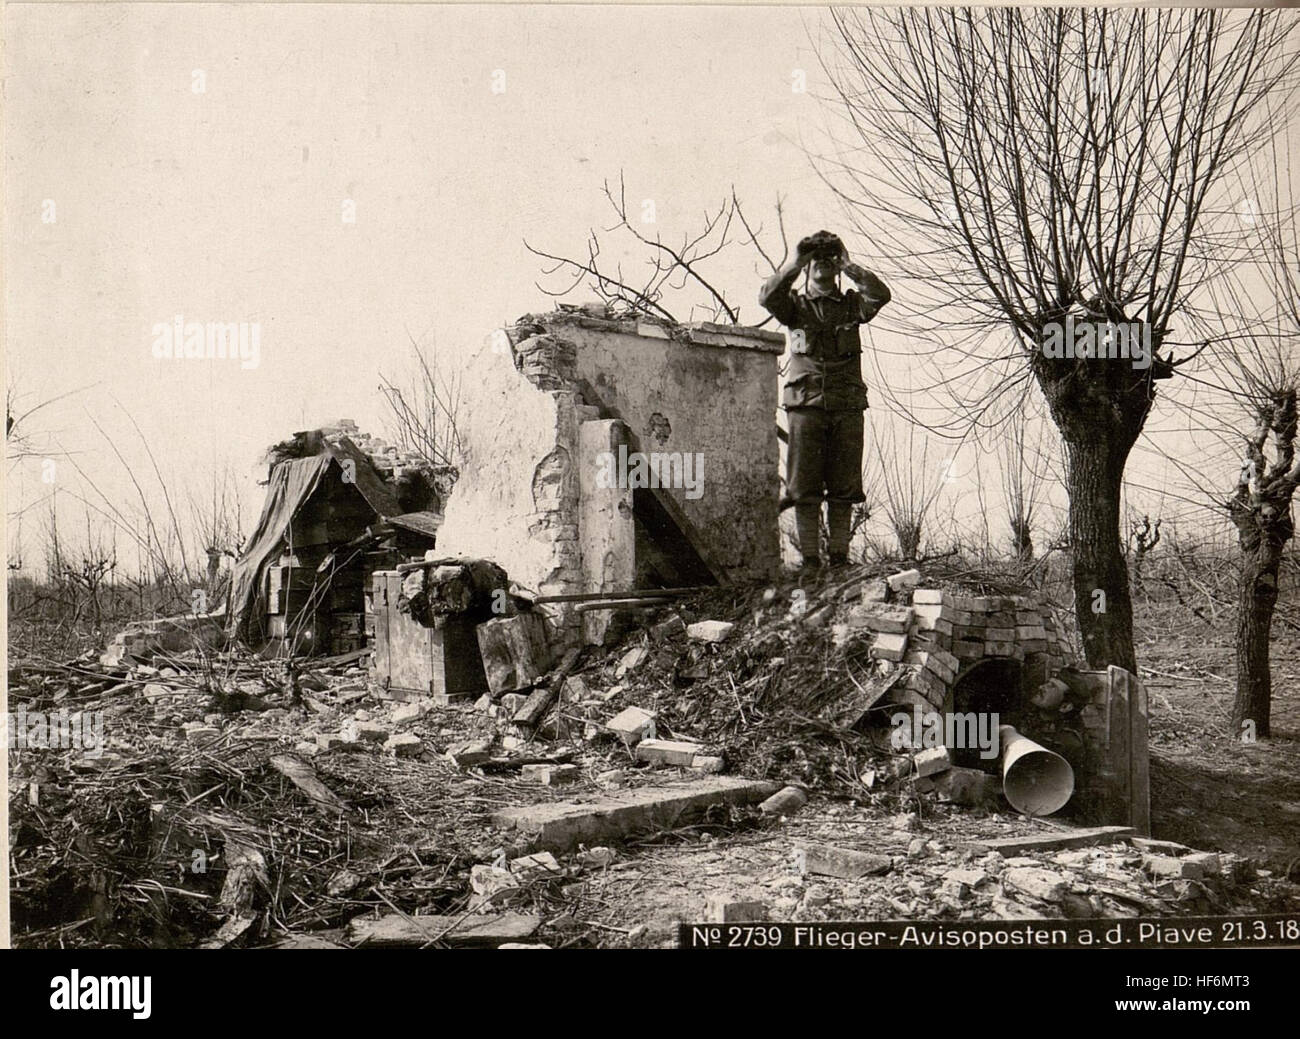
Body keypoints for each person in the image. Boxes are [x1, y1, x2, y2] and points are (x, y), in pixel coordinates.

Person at [759, 230, 891, 575]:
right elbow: (767, 297)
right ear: (808, 266)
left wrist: (850, 265)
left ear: (836, 264)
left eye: (828, 258)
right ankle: (811, 560)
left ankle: (839, 557)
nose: (822, 263)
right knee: (804, 485)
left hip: (846, 404)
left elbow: (881, 294)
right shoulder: (796, 307)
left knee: (845, 485)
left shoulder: (851, 305)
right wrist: (795, 261)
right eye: (815, 259)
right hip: (805, 405)